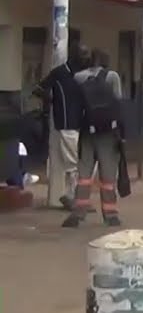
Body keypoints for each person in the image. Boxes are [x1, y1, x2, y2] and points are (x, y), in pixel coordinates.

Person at [63, 49, 125, 228]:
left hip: (86, 132)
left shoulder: (78, 77)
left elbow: (74, 104)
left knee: (84, 175)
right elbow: (118, 102)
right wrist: (122, 133)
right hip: (108, 133)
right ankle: (111, 215)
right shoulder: (112, 76)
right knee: (107, 177)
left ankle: (78, 213)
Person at [34, 45, 88, 210]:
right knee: (73, 163)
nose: (85, 58)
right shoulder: (59, 73)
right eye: (82, 55)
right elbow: (38, 89)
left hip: (82, 125)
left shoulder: (84, 74)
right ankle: (74, 197)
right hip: (65, 124)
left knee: (80, 163)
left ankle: (76, 197)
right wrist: (53, 101)